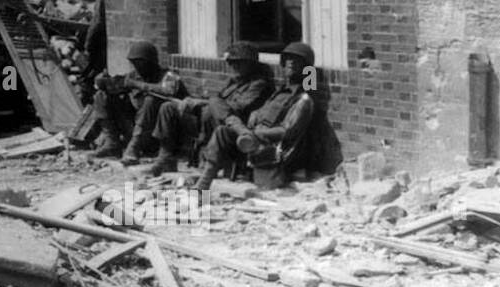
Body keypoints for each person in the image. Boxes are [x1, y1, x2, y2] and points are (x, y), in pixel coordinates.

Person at [196, 41, 327, 190]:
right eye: (288, 59)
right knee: (222, 129)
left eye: (296, 60)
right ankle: (203, 183)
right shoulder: (278, 93)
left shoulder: (303, 99)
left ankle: (242, 134)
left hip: (269, 147)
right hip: (250, 138)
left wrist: (257, 134)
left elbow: (287, 132)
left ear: (306, 67)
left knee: (222, 116)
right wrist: (252, 122)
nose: (290, 63)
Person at [144, 41, 273, 176]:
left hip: (231, 127)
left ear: (251, 63)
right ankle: (165, 157)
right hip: (209, 121)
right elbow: (215, 101)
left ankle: (209, 159)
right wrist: (191, 102)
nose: (233, 66)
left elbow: (238, 107)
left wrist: (201, 102)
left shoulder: (259, 84)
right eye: (231, 62)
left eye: (238, 62)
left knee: (211, 106)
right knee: (168, 107)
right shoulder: (234, 82)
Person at [90, 40, 187, 162]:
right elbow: (114, 87)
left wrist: (137, 85)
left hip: (157, 134)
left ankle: (134, 147)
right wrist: (102, 82)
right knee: (101, 95)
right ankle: (112, 143)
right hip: (134, 126)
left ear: (150, 61)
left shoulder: (167, 75)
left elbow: (169, 90)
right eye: (134, 63)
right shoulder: (133, 76)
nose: (137, 66)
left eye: (140, 63)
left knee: (150, 100)